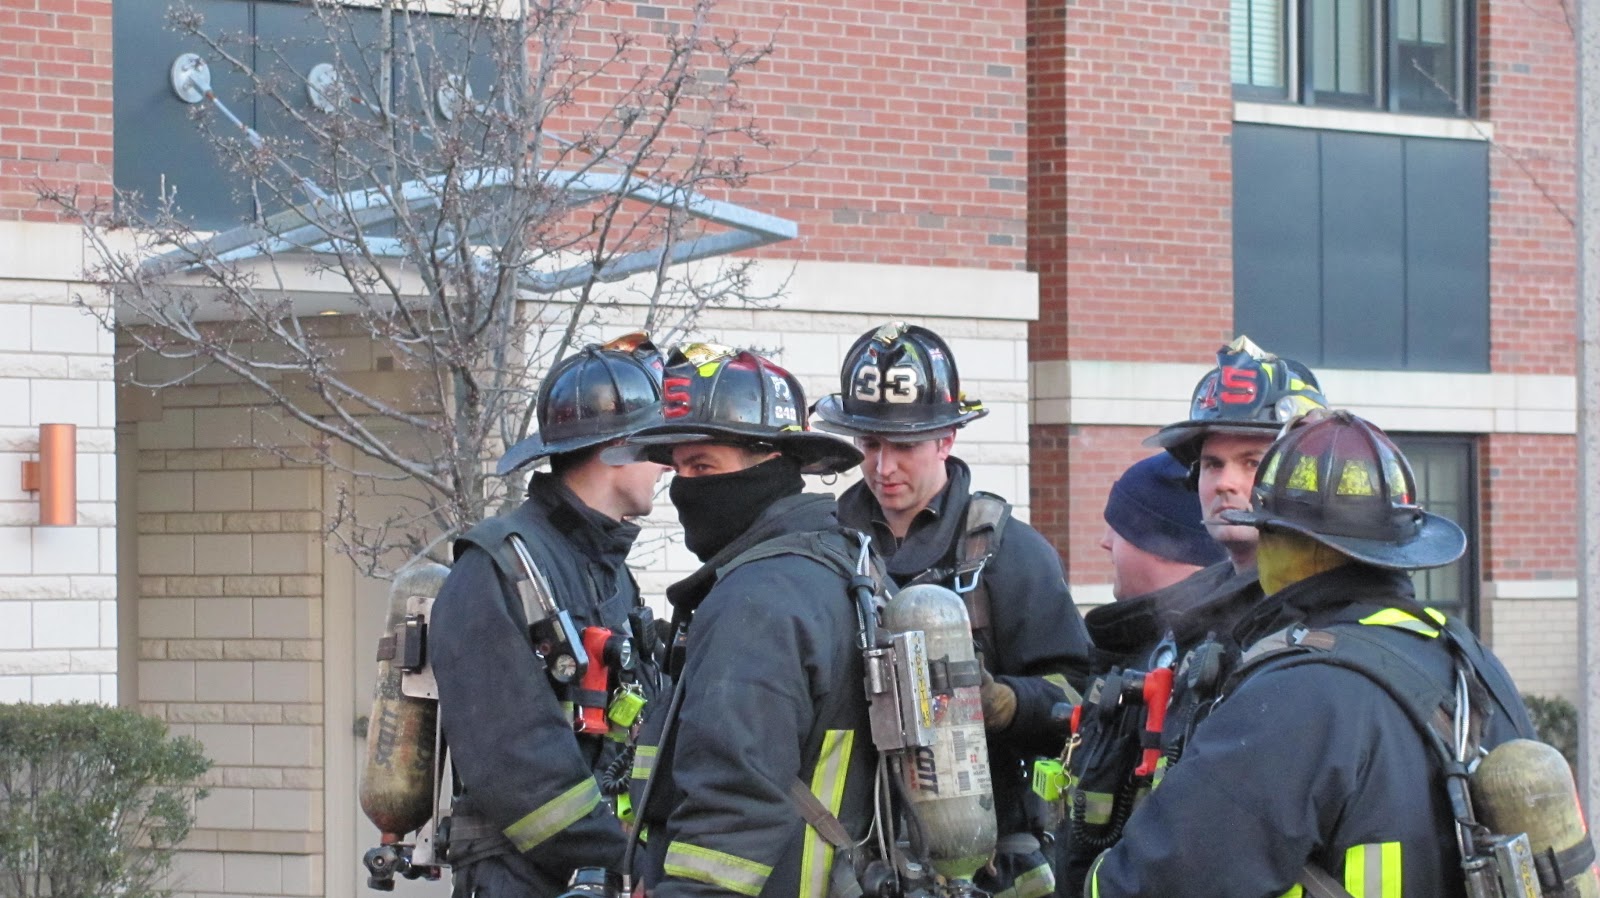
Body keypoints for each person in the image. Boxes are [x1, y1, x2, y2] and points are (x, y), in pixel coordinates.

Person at [1085, 409, 1538, 898]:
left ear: (1282, 541)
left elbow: (1151, 884)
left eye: (1267, 534)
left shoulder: (1294, 694)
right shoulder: (1467, 657)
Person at [811, 321, 1091, 898]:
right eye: (869, 444)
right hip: (850, 848)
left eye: (905, 446)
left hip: (986, 856)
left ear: (947, 438)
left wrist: (1009, 704)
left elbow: (1079, 700)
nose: (883, 467)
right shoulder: (823, 545)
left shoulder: (1010, 554)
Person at [1054, 337, 1328, 896]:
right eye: (1212, 463)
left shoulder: (1313, 626)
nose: (1225, 482)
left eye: (1252, 462)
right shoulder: (1186, 622)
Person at [606, 344, 877, 898]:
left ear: (773, 464)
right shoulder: (843, 564)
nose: (685, 489)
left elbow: (729, 814)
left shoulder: (759, 601)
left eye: (704, 466)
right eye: (677, 468)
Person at [429, 335, 670, 898]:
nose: (667, 463)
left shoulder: (607, 568)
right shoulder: (497, 570)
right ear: (618, 449)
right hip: (520, 880)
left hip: (598, 874)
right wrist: (623, 859)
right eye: (656, 445)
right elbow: (516, 762)